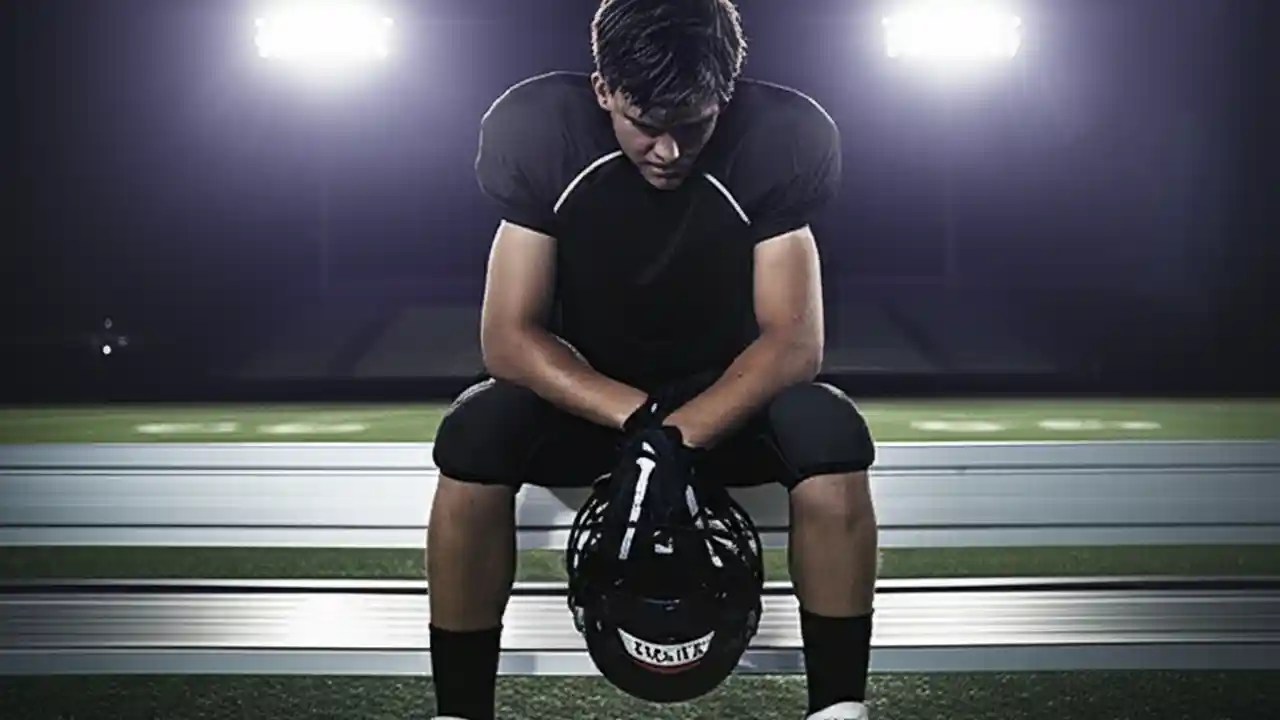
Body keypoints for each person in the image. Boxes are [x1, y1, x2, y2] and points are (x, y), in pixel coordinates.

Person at [427, 1, 879, 718]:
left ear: (725, 94)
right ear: (602, 87)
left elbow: (792, 341)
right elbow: (509, 337)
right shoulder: (545, 131)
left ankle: (837, 708)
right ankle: (459, 708)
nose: (668, 151)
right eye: (646, 124)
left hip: (726, 413)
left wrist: (675, 435)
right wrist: (638, 421)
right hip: (591, 408)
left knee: (828, 428)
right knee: (475, 428)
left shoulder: (777, 140)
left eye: (692, 124)